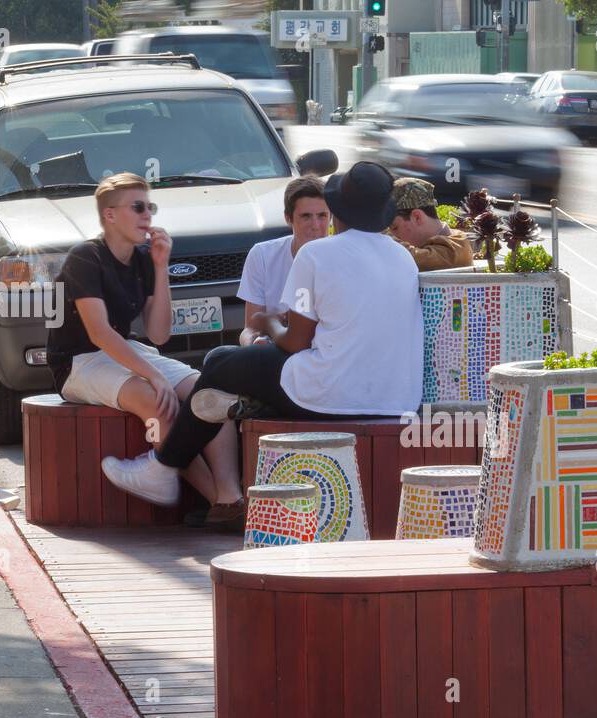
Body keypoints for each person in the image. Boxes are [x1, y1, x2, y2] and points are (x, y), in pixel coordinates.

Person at [100, 161, 423, 508]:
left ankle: (166, 468)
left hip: (331, 396)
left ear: (336, 214)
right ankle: (190, 454)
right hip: (397, 398)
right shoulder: (402, 257)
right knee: (225, 376)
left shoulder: (316, 254)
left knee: (220, 363)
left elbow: (294, 341)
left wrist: (270, 324)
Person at [48, 172, 242, 525]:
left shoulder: (141, 260)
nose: (147, 215)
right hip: (79, 361)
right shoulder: (85, 257)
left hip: (125, 352)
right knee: (157, 403)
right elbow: (100, 334)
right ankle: (219, 502)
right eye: (137, 207)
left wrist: (160, 266)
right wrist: (153, 376)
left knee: (214, 395)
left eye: (149, 206)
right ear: (109, 214)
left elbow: (159, 333)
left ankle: (231, 496)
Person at [237, 175, 330, 346]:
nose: (315, 225)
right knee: (217, 357)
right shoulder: (261, 255)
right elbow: (250, 328)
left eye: (322, 215)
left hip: (323, 354)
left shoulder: (342, 258)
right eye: (306, 216)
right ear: (288, 218)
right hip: (275, 352)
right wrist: (253, 345)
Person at [387, 177, 473, 272]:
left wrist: (380, 236)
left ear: (417, 217)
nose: (393, 234)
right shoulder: (451, 243)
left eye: (395, 227)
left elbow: (405, 258)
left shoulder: (454, 250)